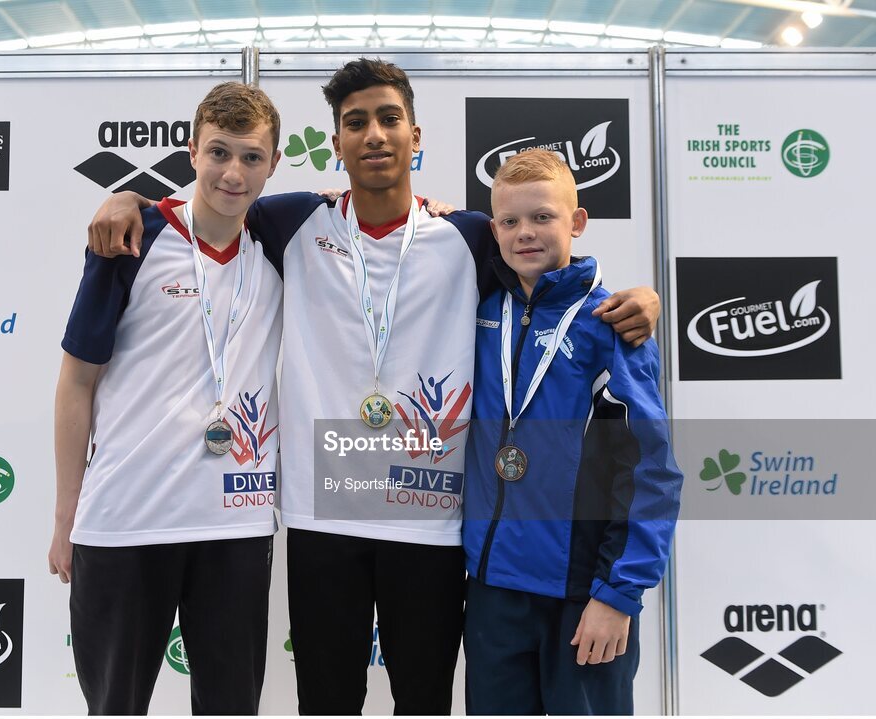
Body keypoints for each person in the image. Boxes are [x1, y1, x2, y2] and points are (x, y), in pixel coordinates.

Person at [86, 59, 661, 715]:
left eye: (390, 119)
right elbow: (210, 202)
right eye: (355, 122)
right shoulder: (293, 222)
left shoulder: (471, 234)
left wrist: (641, 298)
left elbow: (552, 270)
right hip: (322, 517)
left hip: (430, 523)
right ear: (336, 144)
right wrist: (125, 200)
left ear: (416, 137)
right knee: (327, 703)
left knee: (423, 703)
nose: (375, 134)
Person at [48, 82, 283, 715]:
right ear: (191, 152)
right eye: (219, 153)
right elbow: (76, 381)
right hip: (126, 519)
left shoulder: (280, 243)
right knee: (115, 707)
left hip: (233, 523)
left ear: (274, 163)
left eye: (252, 157)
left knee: (231, 706)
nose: (234, 173)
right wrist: (66, 516)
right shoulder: (130, 238)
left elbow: (366, 215)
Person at [462, 149, 682, 714]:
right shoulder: (481, 310)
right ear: (494, 231)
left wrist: (618, 593)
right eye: (509, 222)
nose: (525, 232)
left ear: (576, 223)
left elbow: (651, 470)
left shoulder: (610, 325)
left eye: (542, 217)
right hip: (493, 592)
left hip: (582, 594)